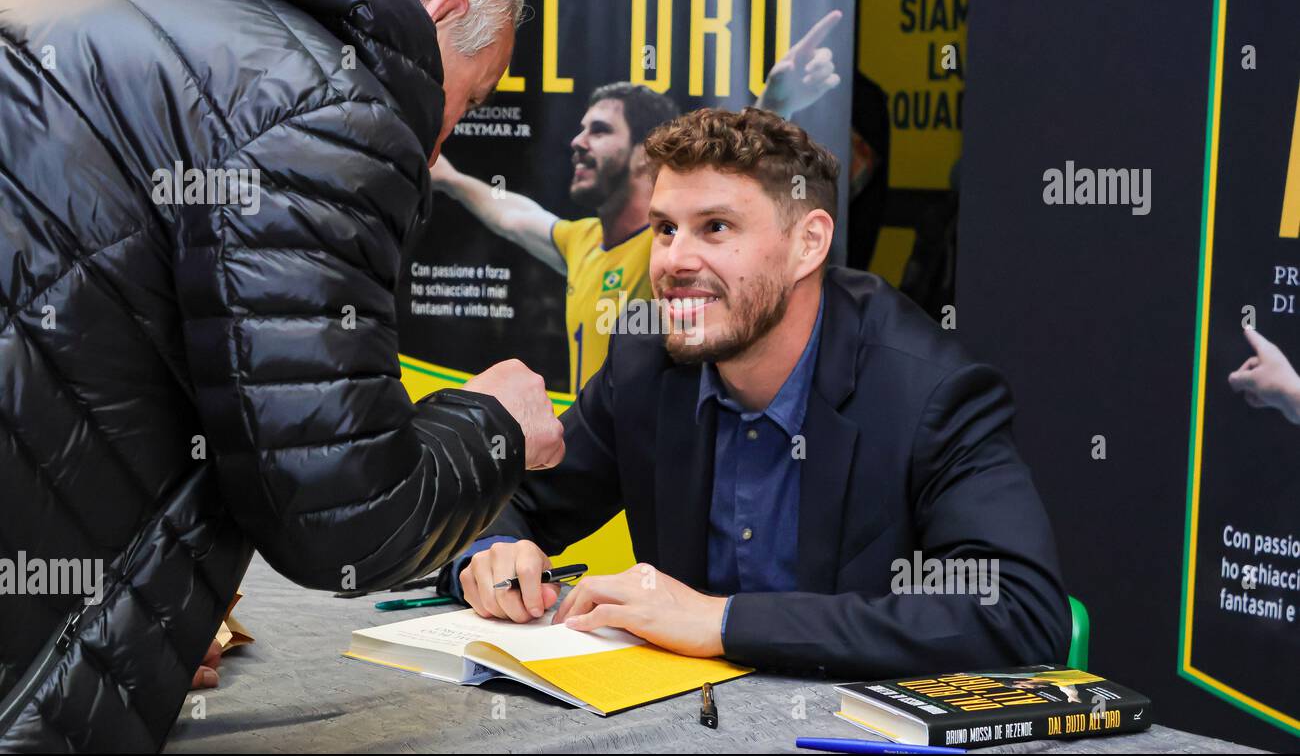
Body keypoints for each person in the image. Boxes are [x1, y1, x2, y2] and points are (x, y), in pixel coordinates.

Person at [0, 0, 562, 751]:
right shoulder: (325, 99)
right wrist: (496, 428)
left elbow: (90, 343)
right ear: (439, 13)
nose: (440, 143)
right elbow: (344, 519)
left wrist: (153, 602)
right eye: (468, 98)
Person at [442, 107, 1072, 679]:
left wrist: (723, 623)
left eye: (715, 227)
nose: (673, 261)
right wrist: (495, 552)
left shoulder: (930, 392)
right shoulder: (644, 361)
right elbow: (515, 498)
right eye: (664, 229)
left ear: (809, 244)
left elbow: (1016, 609)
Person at [429, 11, 845, 394]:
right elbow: (513, 215)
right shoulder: (585, 241)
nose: (578, 143)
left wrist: (774, 105)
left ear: (642, 155)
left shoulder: (667, 250)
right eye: (668, 229)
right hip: (596, 454)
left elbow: (732, 185)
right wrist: (448, 177)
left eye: (600, 130)